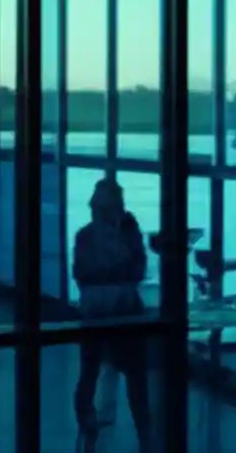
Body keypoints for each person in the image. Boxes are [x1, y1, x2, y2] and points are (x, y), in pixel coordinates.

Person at [72, 178, 151, 450]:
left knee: (97, 373)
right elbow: (90, 275)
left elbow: (87, 276)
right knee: (109, 374)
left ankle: (138, 432)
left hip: (104, 312)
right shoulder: (96, 237)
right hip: (113, 312)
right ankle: (143, 434)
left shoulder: (116, 235)